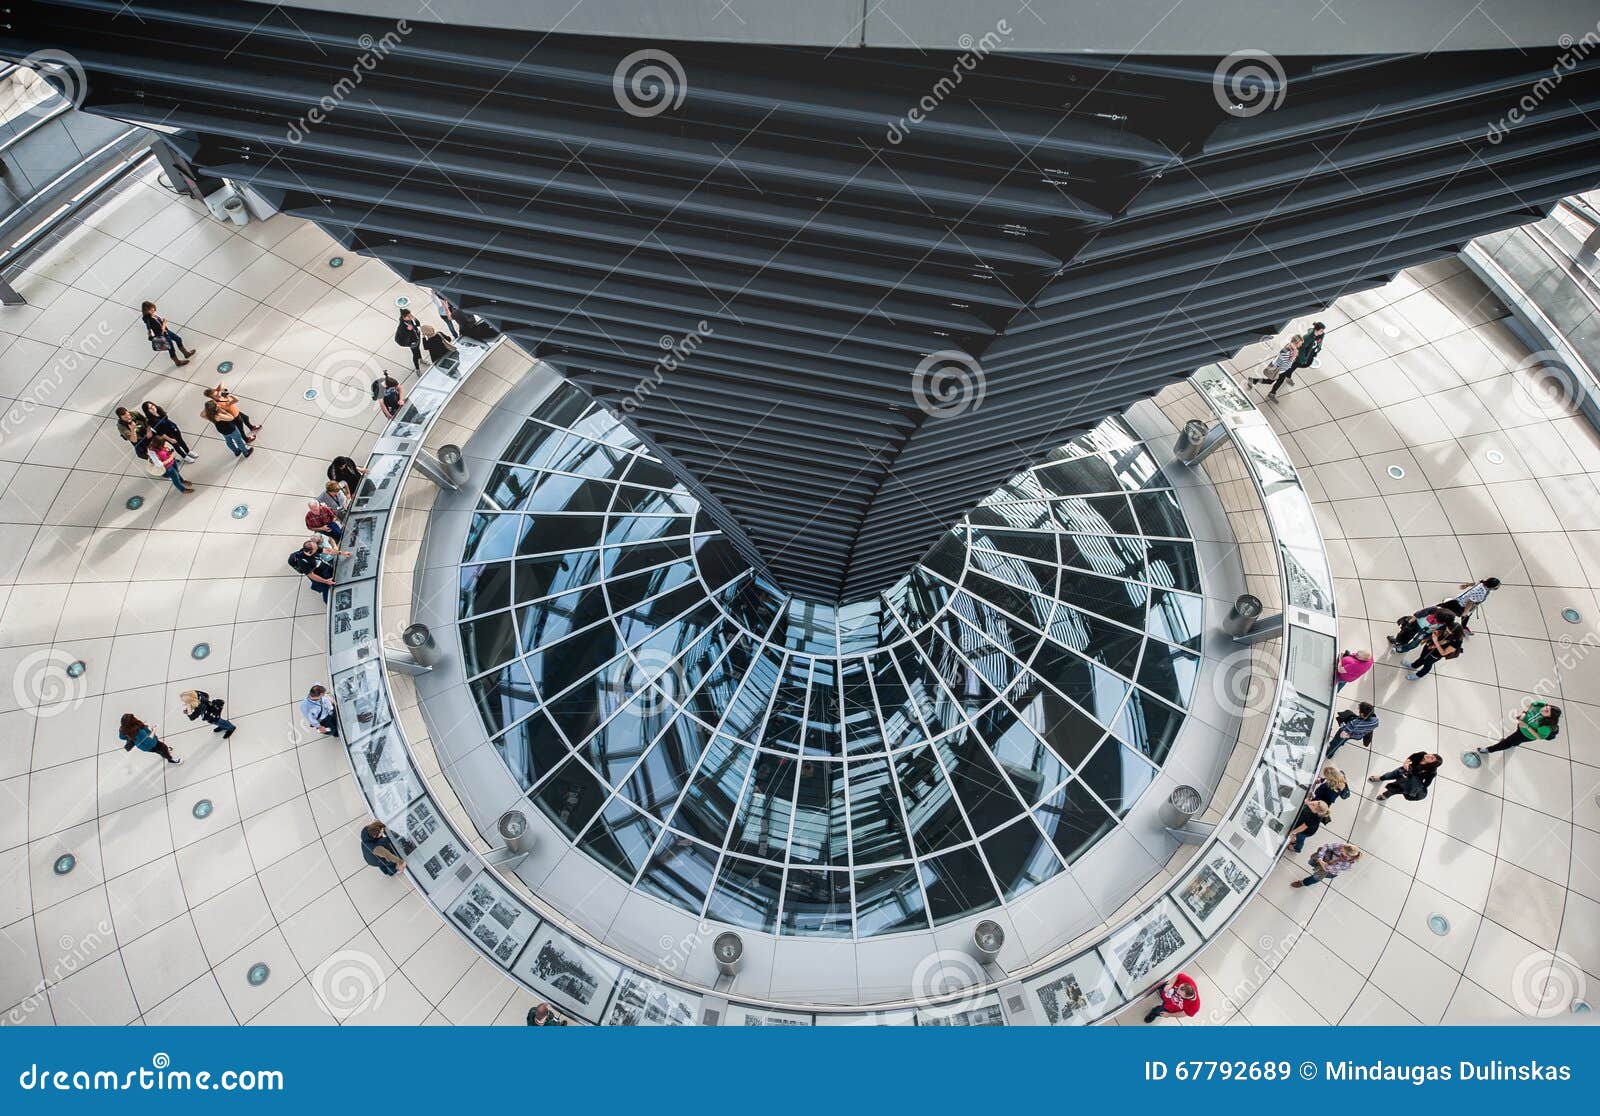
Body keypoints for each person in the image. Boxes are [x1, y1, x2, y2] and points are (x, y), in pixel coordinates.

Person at [1478, 702, 1561, 755]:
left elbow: (1539, 737)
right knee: (1514, 740)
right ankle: (1514, 744)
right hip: (1521, 727)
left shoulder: (1546, 727)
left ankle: (1488, 750)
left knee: (1507, 742)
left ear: (1550, 716)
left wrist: (1527, 726)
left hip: (1525, 735)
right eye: (1547, 707)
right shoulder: (1541, 705)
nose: (1544, 709)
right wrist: (1524, 714)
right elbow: (1530, 705)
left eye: (1547, 711)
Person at [1388, 601, 1462, 655]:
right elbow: (1421, 612)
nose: (1434, 621)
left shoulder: (1446, 623)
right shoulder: (1435, 609)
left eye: (1438, 621)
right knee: (1405, 634)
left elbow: (1443, 631)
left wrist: (1431, 635)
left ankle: (1401, 649)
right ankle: (1398, 642)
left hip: (1425, 632)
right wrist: (1413, 619)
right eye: (1435, 618)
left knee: (1415, 643)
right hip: (1417, 623)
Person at [1370, 752, 1443, 802]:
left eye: (1432, 758)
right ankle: (1380, 778)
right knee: (1390, 775)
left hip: (1408, 780)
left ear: (1432, 764)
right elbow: (1412, 756)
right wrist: (1406, 763)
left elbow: (1426, 784)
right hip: (1403, 770)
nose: (1429, 756)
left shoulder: (1431, 771)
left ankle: (1385, 796)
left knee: (1395, 789)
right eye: (1432, 755)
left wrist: (1412, 785)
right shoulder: (1422, 754)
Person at [288, 536, 344, 600]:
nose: (318, 548)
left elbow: (327, 551)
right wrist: (325, 581)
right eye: (315, 549)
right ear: (310, 552)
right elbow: (311, 575)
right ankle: (327, 601)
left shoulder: (313, 548)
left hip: (320, 566)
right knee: (325, 588)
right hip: (316, 573)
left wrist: (341, 553)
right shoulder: (302, 562)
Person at [1247, 334, 1302, 399]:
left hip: (1281, 369)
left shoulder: (1292, 349)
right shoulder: (1288, 349)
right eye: (1300, 343)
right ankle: (1254, 381)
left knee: (1273, 381)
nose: (1300, 345)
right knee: (1271, 381)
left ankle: (1269, 391)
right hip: (1279, 369)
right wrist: (1277, 369)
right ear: (1296, 342)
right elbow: (1281, 359)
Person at [141, 301, 194, 367]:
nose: (153, 309)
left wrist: (162, 322)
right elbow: (160, 331)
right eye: (151, 308)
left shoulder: (153, 315)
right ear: (147, 310)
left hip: (167, 331)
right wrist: (164, 323)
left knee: (178, 339)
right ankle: (177, 362)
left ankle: (186, 353)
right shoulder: (149, 319)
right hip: (162, 335)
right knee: (171, 348)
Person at [1290, 843, 1360, 888]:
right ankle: (1316, 864)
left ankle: (1303, 883)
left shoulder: (1347, 864)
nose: (1340, 848)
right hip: (1326, 860)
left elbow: (1327, 868)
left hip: (1330, 872)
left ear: (1347, 855)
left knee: (1315, 877)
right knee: (1312, 861)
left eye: (1342, 851)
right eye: (1342, 848)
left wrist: (1322, 863)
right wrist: (1320, 859)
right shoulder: (1342, 846)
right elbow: (1326, 846)